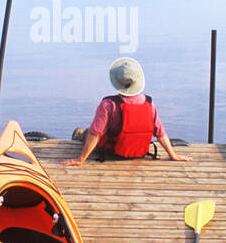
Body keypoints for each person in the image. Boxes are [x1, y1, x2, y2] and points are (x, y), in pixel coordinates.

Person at [62, 58, 191, 166]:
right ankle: (80, 134)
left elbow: (95, 134)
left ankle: (78, 135)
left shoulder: (108, 104)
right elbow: (160, 133)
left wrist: (81, 159)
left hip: (113, 151)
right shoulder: (150, 104)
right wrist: (173, 155)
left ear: (117, 82)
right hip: (139, 151)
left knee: (87, 132)